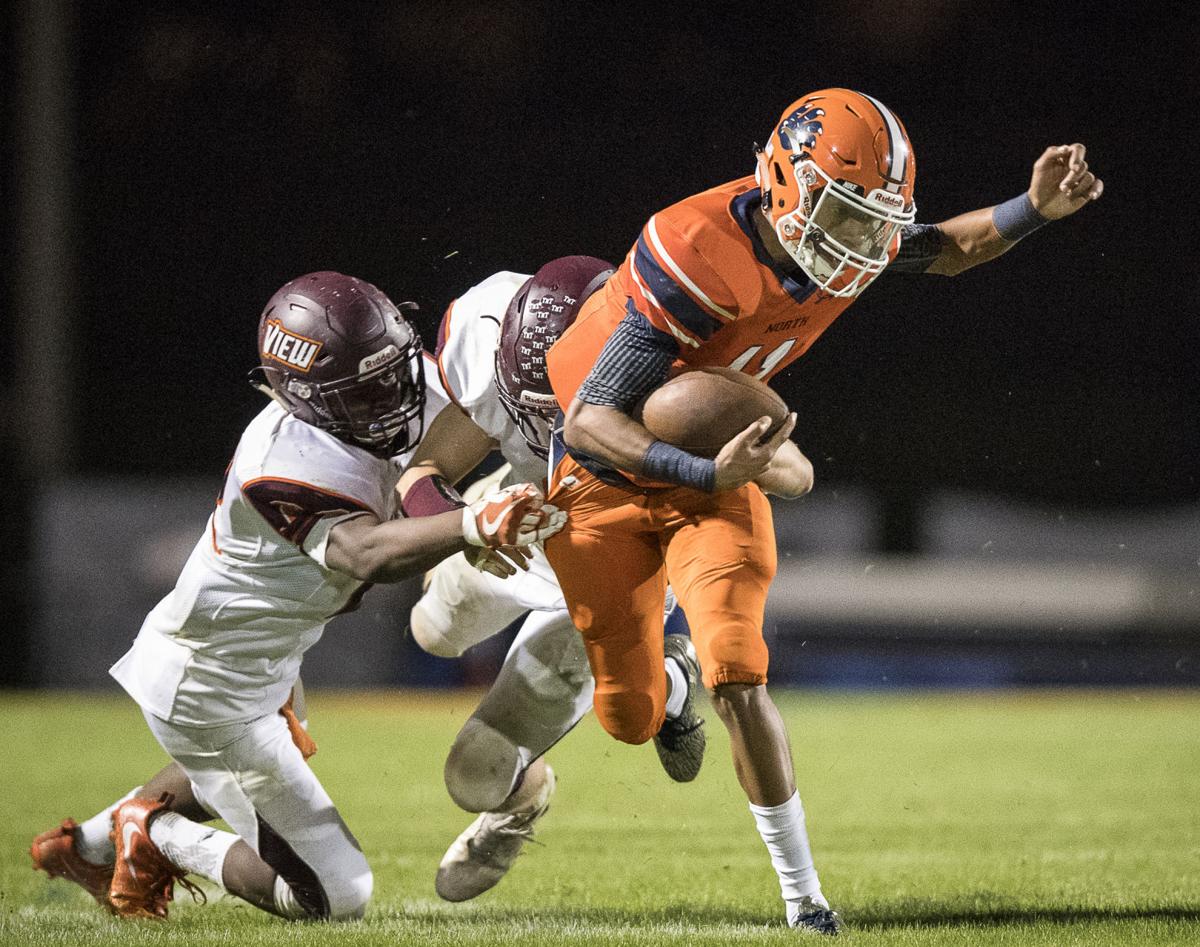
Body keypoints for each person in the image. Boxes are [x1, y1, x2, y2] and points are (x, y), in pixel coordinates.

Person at [542, 88, 1104, 934]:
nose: (860, 242)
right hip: (605, 477)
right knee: (629, 716)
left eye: (874, 220)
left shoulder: (853, 234)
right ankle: (669, 682)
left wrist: (1035, 209)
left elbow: (945, 250)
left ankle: (806, 899)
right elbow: (591, 418)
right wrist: (696, 462)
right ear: (782, 179)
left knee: (741, 665)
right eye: (844, 213)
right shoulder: (697, 248)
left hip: (723, 469)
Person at [29, 271, 565, 921]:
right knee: (335, 894)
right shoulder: (282, 461)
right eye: (366, 388)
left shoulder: (386, 377)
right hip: (208, 680)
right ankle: (157, 833)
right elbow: (366, 552)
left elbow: (471, 396)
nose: (395, 393)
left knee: (243, 760)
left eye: (393, 369)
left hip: (266, 653)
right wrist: (471, 521)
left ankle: (82, 845)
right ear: (307, 397)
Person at [399, 256, 702, 902]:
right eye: (531, 407)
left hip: (614, 553)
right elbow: (420, 473)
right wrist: (464, 526)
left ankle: (668, 679)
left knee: (475, 775)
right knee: (430, 630)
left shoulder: (669, 378)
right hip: (519, 515)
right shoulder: (479, 334)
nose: (546, 427)